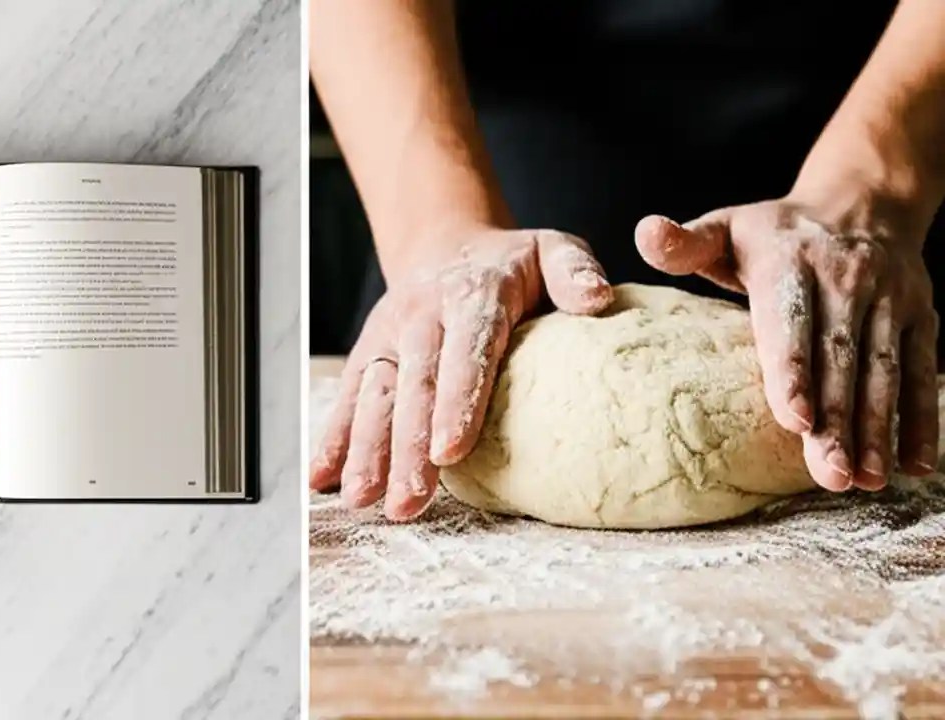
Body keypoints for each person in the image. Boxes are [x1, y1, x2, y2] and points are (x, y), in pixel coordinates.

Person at [309, 0, 944, 521]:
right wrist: (435, 226)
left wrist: (877, 178)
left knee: (850, 399)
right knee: (452, 391)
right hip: (486, 123)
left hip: (881, 117)